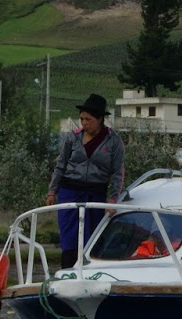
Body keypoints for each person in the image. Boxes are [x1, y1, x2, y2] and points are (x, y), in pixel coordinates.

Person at [46, 93, 126, 268]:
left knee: (92, 237)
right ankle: (67, 269)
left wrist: (112, 200)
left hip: (95, 193)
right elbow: (61, 165)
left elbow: (117, 173)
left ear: (99, 119)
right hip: (69, 192)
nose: (84, 123)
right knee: (69, 236)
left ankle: (88, 270)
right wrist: (52, 191)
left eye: (88, 119)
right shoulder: (73, 138)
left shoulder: (113, 142)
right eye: (81, 119)